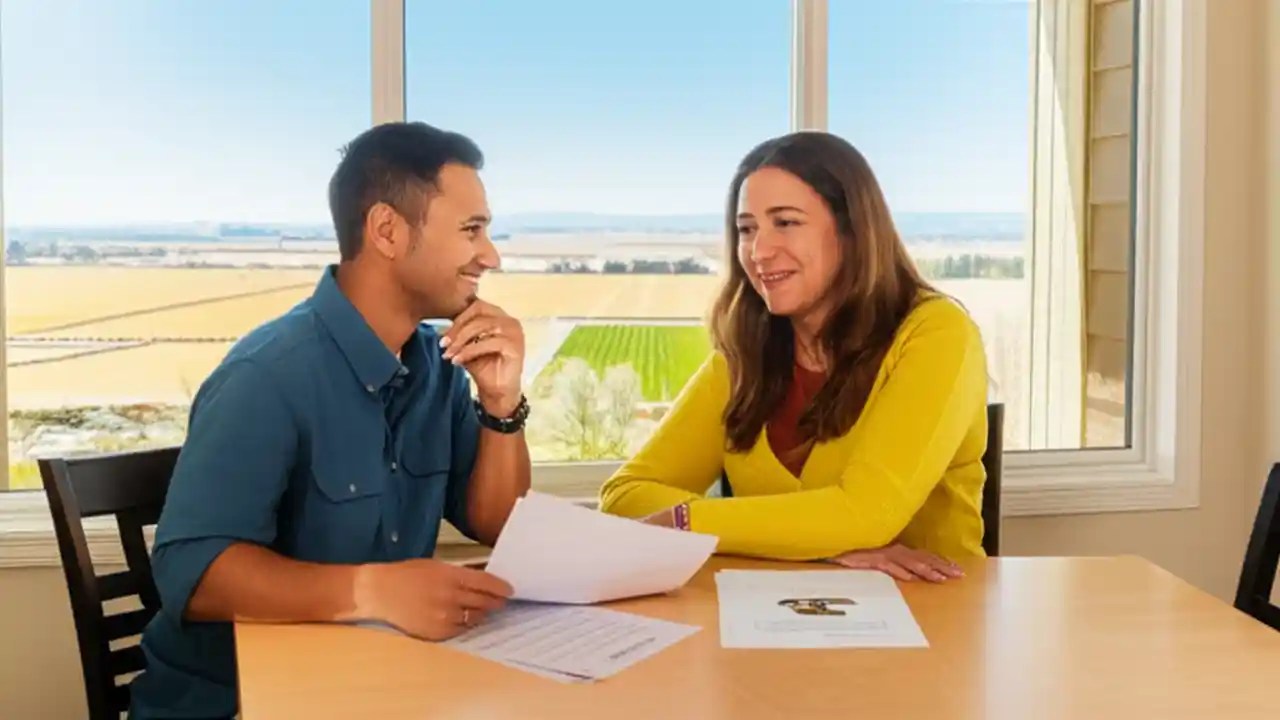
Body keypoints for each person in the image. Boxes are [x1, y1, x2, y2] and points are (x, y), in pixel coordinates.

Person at [129, 122, 531, 719]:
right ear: (387, 230)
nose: (490, 255)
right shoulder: (266, 376)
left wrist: (501, 404)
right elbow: (191, 571)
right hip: (233, 705)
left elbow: (500, 524)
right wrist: (374, 590)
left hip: (372, 689)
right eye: (471, 230)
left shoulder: (440, 367)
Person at [600, 131, 989, 581]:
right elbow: (623, 497)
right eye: (747, 229)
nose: (759, 252)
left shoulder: (938, 332)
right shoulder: (744, 354)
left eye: (785, 222)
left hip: (936, 608)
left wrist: (684, 523)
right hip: (773, 608)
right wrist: (820, 545)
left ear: (852, 230)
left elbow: (867, 514)